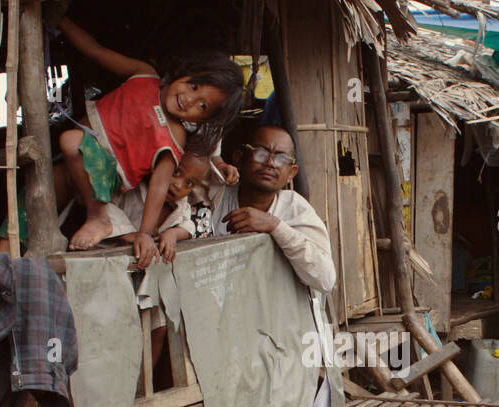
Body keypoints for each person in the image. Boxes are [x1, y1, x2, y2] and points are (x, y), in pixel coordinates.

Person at [57, 17, 243, 251]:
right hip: (74, 165)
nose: (189, 100)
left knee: (71, 140)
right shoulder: (143, 75)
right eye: (193, 87)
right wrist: (62, 23)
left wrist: (144, 234)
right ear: (184, 72)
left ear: (203, 120)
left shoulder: (175, 137)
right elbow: (96, 51)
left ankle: (98, 218)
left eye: (203, 106)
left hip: (103, 177)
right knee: (35, 199)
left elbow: (159, 186)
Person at [204, 125, 336, 294]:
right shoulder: (216, 195)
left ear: (291, 173)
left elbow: (325, 279)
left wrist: (275, 226)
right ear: (239, 158)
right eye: (260, 153)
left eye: (281, 159)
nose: (270, 163)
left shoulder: (295, 209)